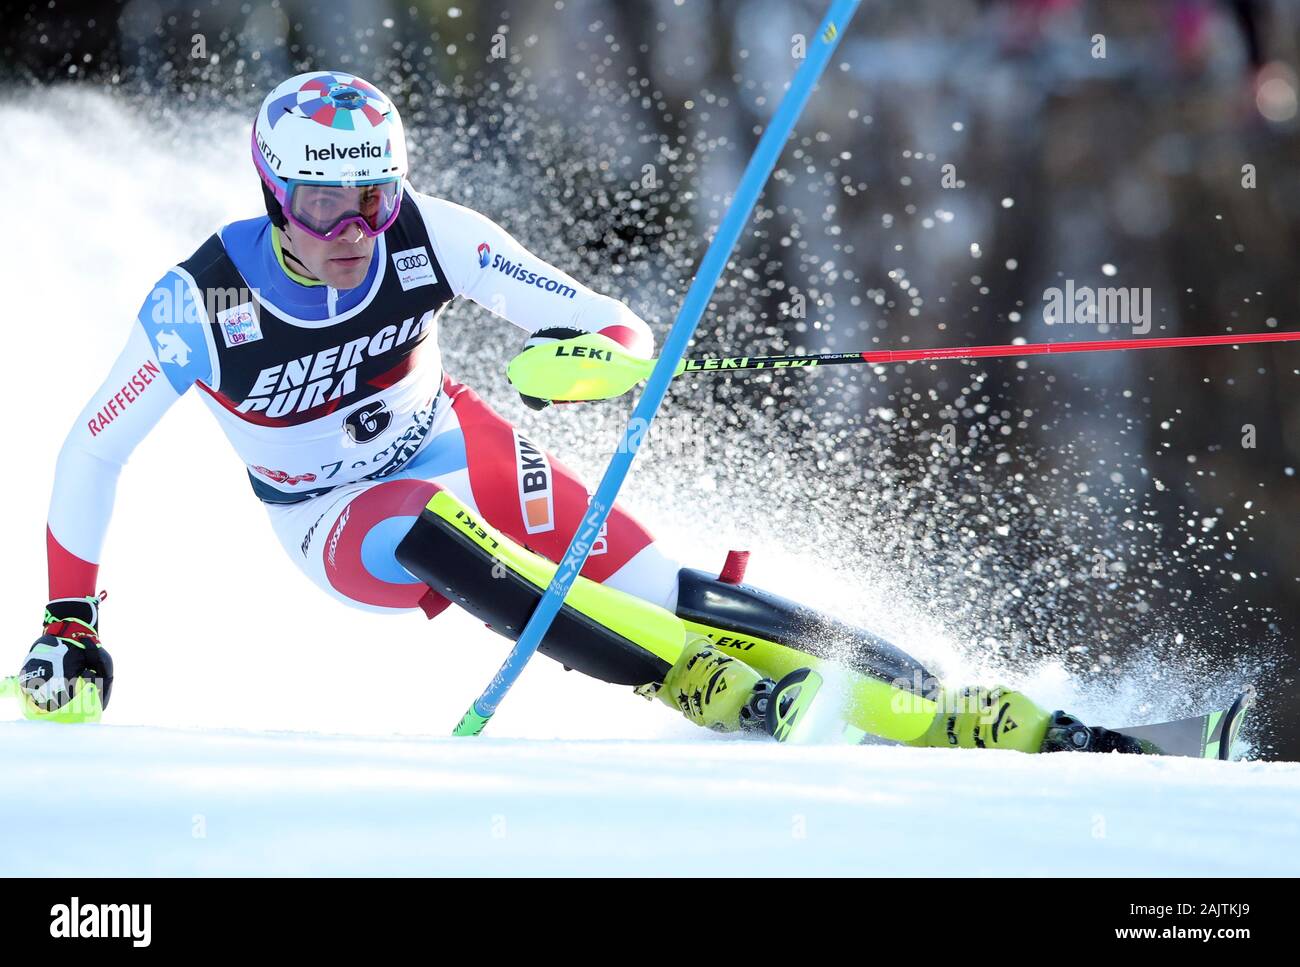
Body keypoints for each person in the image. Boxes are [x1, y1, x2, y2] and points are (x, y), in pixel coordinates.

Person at [17, 70, 1133, 754]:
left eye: (372, 195)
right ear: (273, 193)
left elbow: (617, 329)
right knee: (426, 527)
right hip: (332, 519)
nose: (353, 226)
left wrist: (583, 363)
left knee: (676, 590)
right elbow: (90, 452)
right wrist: (71, 623)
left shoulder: (430, 234)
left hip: (458, 438)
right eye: (321, 200)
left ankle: (953, 703)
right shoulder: (199, 303)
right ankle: (691, 684)